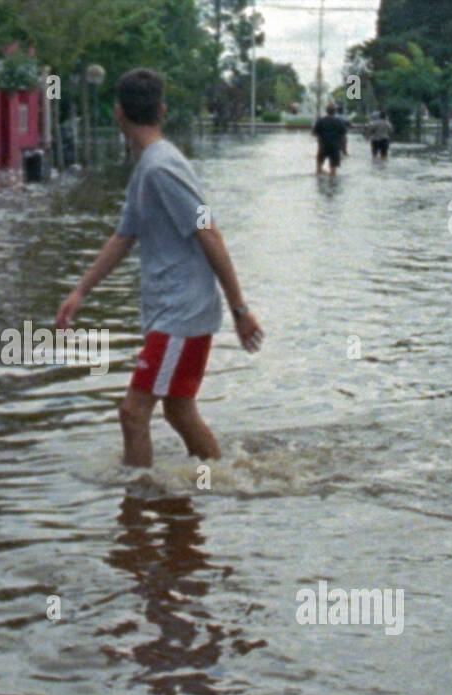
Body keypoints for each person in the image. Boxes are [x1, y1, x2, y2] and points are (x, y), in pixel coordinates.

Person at [55, 68, 264, 468]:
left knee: (133, 414)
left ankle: (137, 509)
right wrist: (79, 292)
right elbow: (123, 237)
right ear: (162, 110)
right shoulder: (148, 169)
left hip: (180, 314)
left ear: (118, 114)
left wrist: (240, 309)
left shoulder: (161, 168)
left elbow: (209, 232)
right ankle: (220, 485)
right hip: (175, 312)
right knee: (178, 410)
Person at [311, 103, 349, 178]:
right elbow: (344, 136)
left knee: (318, 170)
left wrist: (321, 136)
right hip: (335, 147)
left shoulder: (321, 121)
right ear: (335, 111)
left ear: (326, 111)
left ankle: (321, 186)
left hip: (323, 146)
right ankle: (332, 185)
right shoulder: (339, 122)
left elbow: (313, 133)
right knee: (333, 172)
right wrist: (344, 150)